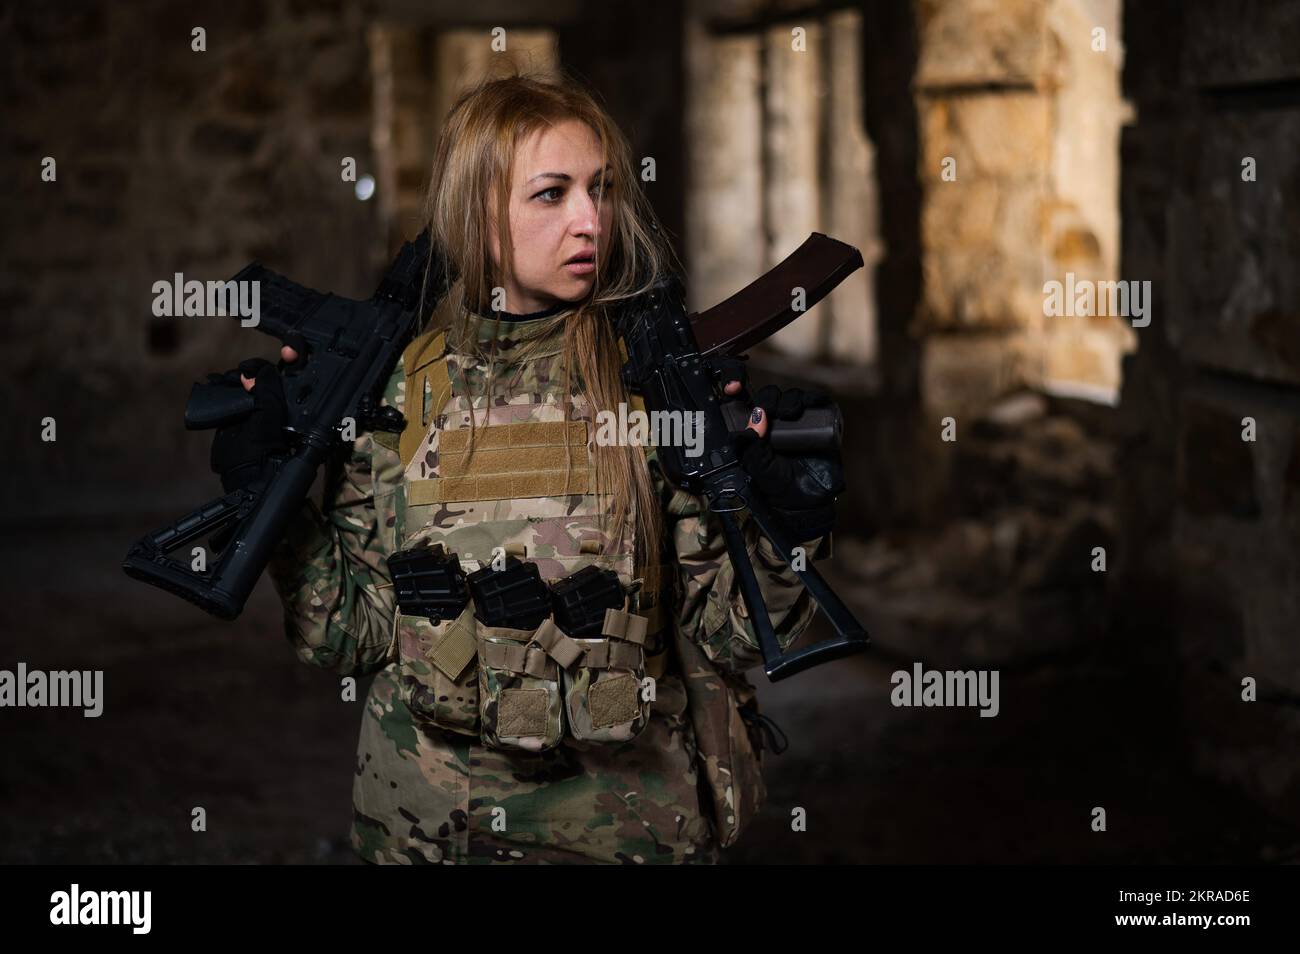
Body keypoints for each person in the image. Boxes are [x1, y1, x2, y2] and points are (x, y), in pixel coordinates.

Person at [237, 72, 841, 864]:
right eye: (551, 194)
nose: (592, 219)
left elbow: (731, 633)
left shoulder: (651, 381)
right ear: (478, 215)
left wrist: (787, 526)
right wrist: (272, 501)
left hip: (628, 828)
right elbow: (348, 634)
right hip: (430, 829)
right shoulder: (399, 391)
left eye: (603, 189)